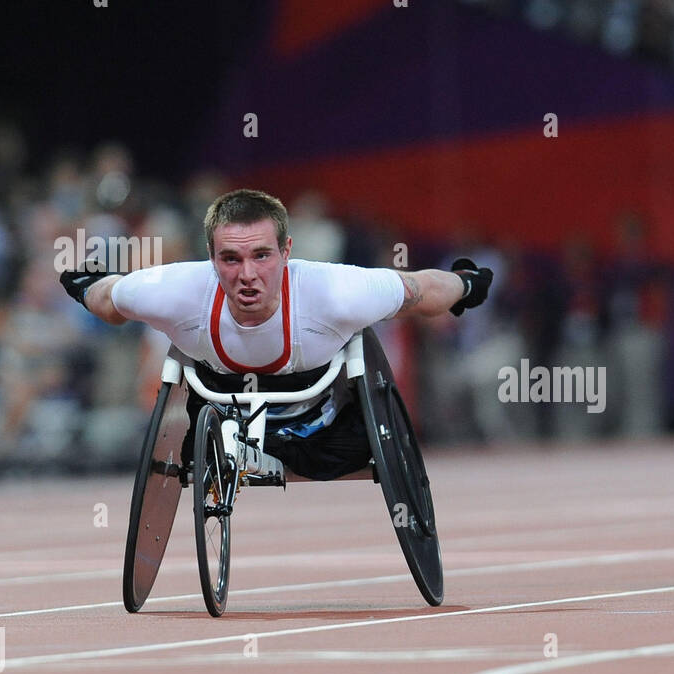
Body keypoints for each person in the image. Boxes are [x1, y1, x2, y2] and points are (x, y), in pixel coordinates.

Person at [59, 188, 492, 481]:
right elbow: (109, 299)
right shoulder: (177, 291)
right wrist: (81, 285)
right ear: (210, 258)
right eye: (230, 259)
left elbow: (421, 290)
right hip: (217, 430)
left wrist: (466, 284)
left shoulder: (335, 292)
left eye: (262, 255)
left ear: (287, 252)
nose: (247, 275)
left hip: (323, 438)